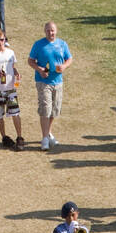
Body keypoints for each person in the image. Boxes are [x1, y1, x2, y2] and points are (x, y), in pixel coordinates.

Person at [28, 21, 71, 151]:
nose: (50, 33)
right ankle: (45, 138)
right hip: (43, 82)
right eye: (48, 31)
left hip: (58, 82)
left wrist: (64, 66)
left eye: (52, 30)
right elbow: (30, 61)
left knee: (54, 110)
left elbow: (69, 59)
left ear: (56, 31)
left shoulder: (62, 44)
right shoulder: (38, 44)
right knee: (45, 108)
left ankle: (48, 132)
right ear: (44, 31)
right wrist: (40, 69)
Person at [0, 29, 23, 151]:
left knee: (15, 113)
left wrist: (17, 73)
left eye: (2, 39)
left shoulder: (11, 53)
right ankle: (4, 137)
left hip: (10, 88)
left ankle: (19, 137)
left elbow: (13, 67)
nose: (0, 42)